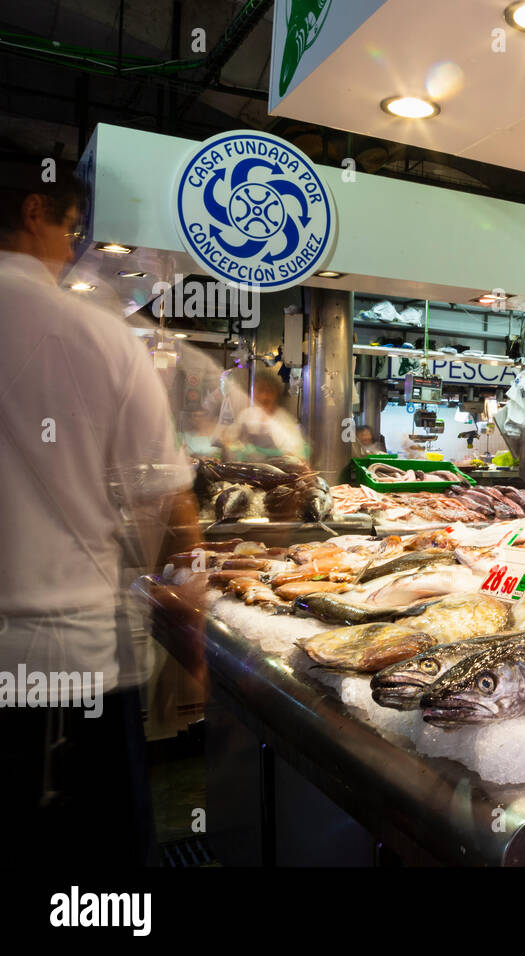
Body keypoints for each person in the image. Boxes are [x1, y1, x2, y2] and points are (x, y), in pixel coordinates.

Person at [0, 153, 199, 866]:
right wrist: (193, 634)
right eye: (72, 227)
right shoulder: (103, 337)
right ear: (34, 212)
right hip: (73, 669)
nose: (74, 247)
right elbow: (174, 510)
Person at [228, 368, 309, 460]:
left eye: (269, 391)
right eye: (260, 390)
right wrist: (238, 450)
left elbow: (298, 455)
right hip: (245, 472)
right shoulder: (246, 416)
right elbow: (230, 441)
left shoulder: (284, 421)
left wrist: (274, 454)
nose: (264, 396)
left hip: (275, 472)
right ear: (254, 391)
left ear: (277, 393)